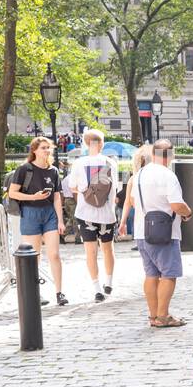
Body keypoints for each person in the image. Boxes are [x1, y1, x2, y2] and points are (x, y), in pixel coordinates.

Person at [118, 140, 191, 327]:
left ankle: (153, 316)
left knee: (151, 275)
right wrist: (188, 212)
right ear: (169, 155)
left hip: (142, 231)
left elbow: (133, 201)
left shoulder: (140, 174)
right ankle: (163, 316)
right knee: (169, 274)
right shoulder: (168, 175)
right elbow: (176, 205)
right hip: (164, 232)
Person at [7, 136, 67, 306]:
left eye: (48, 147)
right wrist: (32, 197)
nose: (47, 150)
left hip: (49, 214)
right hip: (30, 213)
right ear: (34, 150)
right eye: (43, 147)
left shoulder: (53, 171)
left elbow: (56, 197)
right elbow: (12, 193)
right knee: (35, 256)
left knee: (54, 254)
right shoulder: (24, 169)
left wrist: (60, 220)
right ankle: (36, 294)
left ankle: (59, 292)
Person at [64, 129, 120, 302]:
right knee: (108, 249)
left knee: (90, 252)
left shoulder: (79, 163)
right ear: (101, 143)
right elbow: (116, 188)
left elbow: (72, 186)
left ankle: (97, 288)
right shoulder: (111, 163)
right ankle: (108, 282)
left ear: (86, 143)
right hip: (107, 214)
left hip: (85, 213)